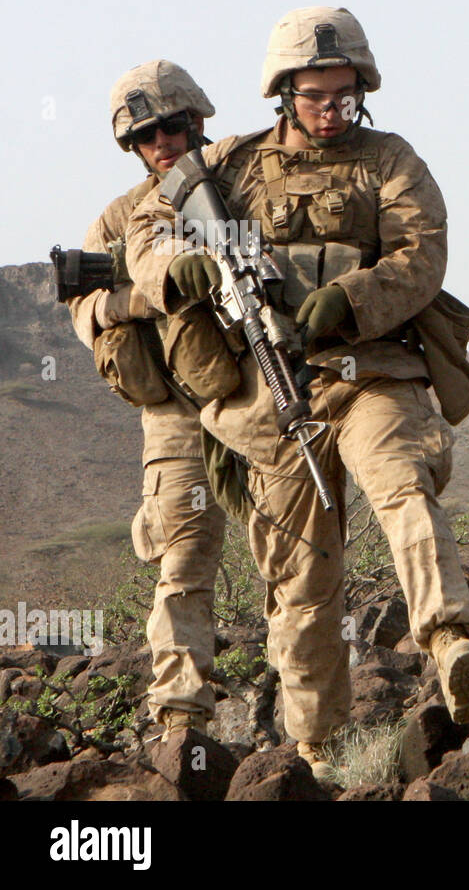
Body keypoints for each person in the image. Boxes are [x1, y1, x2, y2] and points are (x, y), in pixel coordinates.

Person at [127, 7, 469, 776]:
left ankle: (452, 637)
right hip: (269, 394)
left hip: (368, 371)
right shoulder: (229, 163)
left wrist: (355, 297)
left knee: (403, 487)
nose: (332, 111)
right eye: (316, 96)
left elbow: (423, 253)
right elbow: (146, 230)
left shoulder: (390, 160)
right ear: (283, 93)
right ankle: (318, 745)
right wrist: (177, 268)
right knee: (299, 574)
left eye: (345, 95)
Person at [66, 60, 226, 743]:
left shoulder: (245, 187)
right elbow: (85, 311)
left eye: (173, 127)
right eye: (147, 135)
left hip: (260, 393)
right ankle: (181, 718)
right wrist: (152, 293)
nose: (162, 143)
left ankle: (312, 707)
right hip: (176, 412)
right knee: (184, 558)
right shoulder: (116, 220)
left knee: (296, 550)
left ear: (197, 123)